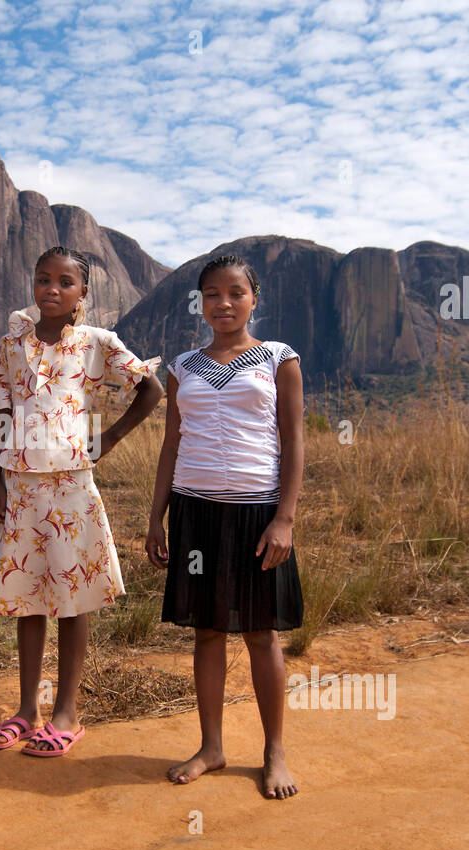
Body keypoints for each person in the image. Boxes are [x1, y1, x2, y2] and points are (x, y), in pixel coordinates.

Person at [0, 246, 163, 756]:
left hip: (71, 485)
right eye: (43, 279)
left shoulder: (98, 343)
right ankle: (27, 711)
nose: (52, 289)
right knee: (27, 597)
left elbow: (151, 388)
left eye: (64, 282)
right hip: (21, 485)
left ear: (83, 292)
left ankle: (66, 713)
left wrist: (108, 438)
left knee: (73, 600)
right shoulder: (12, 344)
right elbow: (1, 411)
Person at [146, 254, 305, 798]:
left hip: (259, 511)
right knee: (208, 630)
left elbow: (293, 440)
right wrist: (156, 516)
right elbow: (171, 444)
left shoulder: (278, 359)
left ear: (253, 299)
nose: (223, 303)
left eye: (235, 293)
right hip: (196, 510)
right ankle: (211, 747)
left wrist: (285, 517)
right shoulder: (183, 367)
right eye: (211, 294)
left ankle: (274, 752)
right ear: (201, 302)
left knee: (262, 633)